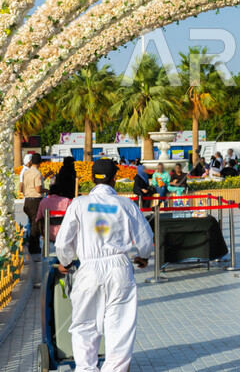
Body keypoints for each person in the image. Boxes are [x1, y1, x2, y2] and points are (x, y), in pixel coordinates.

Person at [54, 158, 153, 372]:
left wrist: (65, 261)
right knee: (120, 327)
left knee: (85, 326)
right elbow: (145, 238)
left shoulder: (78, 204)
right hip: (120, 269)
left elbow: (63, 241)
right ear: (115, 179)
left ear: (91, 178)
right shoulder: (126, 204)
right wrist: (143, 256)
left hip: (88, 269)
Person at [35, 186, 73, 253]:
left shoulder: (43, 201)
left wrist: (42, 234)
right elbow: (72, 217)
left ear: (49, 192)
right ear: (60, 193)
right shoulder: (66, 201)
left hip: (48, 233)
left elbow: (38, 219)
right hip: (64, 234)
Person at [20, 155, 44, 255]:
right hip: (35, 201)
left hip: (27, 201)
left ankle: (33, 246)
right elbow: (38, 189)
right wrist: (47, 190)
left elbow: (22, 187)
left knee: (32, 223)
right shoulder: (37, 173)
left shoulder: (26, 172)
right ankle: (33, 248)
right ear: (40, 162)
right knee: (35, 224)